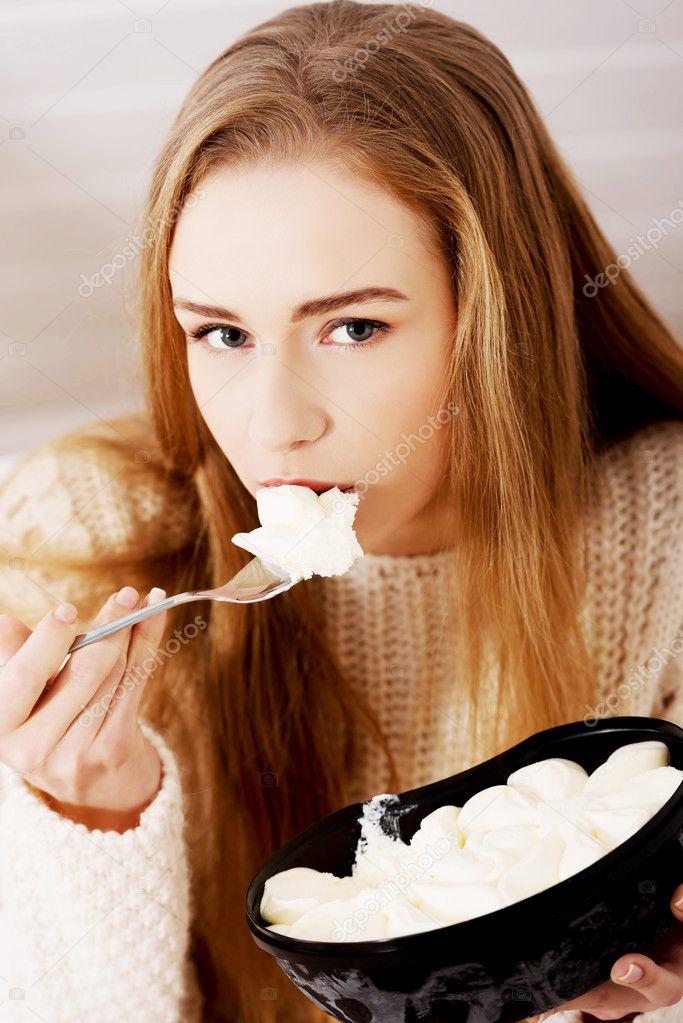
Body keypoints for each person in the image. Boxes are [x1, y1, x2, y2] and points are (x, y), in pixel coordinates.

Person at [1, 2, 682, 1021]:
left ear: (496, 317)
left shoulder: (662, 538)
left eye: (351, 327)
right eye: (222, 335)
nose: (272, 425)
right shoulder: (86, 535)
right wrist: (92, 820)